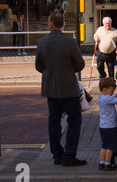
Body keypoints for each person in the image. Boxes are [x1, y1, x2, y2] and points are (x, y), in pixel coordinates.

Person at [35, 11, 86, 167]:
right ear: (63, 24)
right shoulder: (70, 42)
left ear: (50, 24)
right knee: (75, 120)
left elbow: (38, 66)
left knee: (54, 122)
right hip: (68, 89)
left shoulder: (42, 42)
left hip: (51, 89)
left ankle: (57, 155)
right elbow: (80, 65)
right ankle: (69, 155)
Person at [98, 77, 117, 171]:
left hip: (102, 126)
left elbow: (111, 98)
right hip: (110, 126)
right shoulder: (108, 99)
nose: (113, 93)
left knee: (104, 145)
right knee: (111, 146)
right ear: (105, 89)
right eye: (112, 91)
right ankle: (108, 163)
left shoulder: (101, 98)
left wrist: (116, 95)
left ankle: (101, 162)